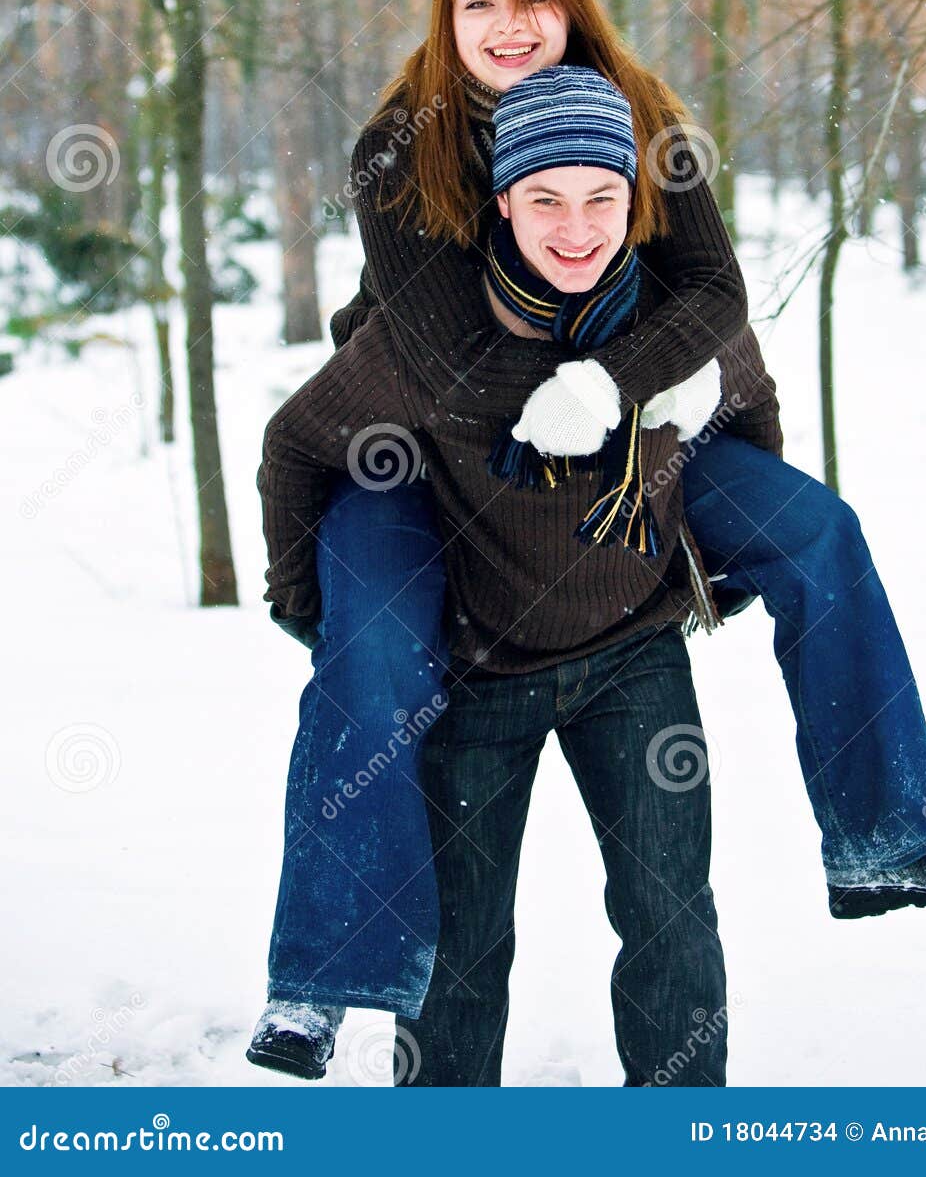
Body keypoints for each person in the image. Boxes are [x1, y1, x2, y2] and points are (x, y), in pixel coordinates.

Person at [249, 0, 926, 1079]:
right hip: (418, 438)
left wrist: (639, 379)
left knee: (817, 531)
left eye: (534, 0)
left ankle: (885, 836)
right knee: (371, 650)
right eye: (479, 5)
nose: (511, 28)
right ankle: (325, 977)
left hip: (637, 423)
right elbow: (458, 367)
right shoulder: (400, 148)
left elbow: (713, 287)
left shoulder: (641, 111)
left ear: (572, 1)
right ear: (443, 16)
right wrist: (618, 381)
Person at [251, 67, 734, 1085]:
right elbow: (295, 443)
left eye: (602, 198)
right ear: (501, 202)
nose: (575, 227)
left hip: (631, 661)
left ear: (635, 203)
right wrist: (312, 611)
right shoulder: (429, 337)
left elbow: (751, 411)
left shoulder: (670, 319)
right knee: (459, 953)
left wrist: (710, 573)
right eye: (544, 199)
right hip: (478, 670)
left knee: (670, 926)